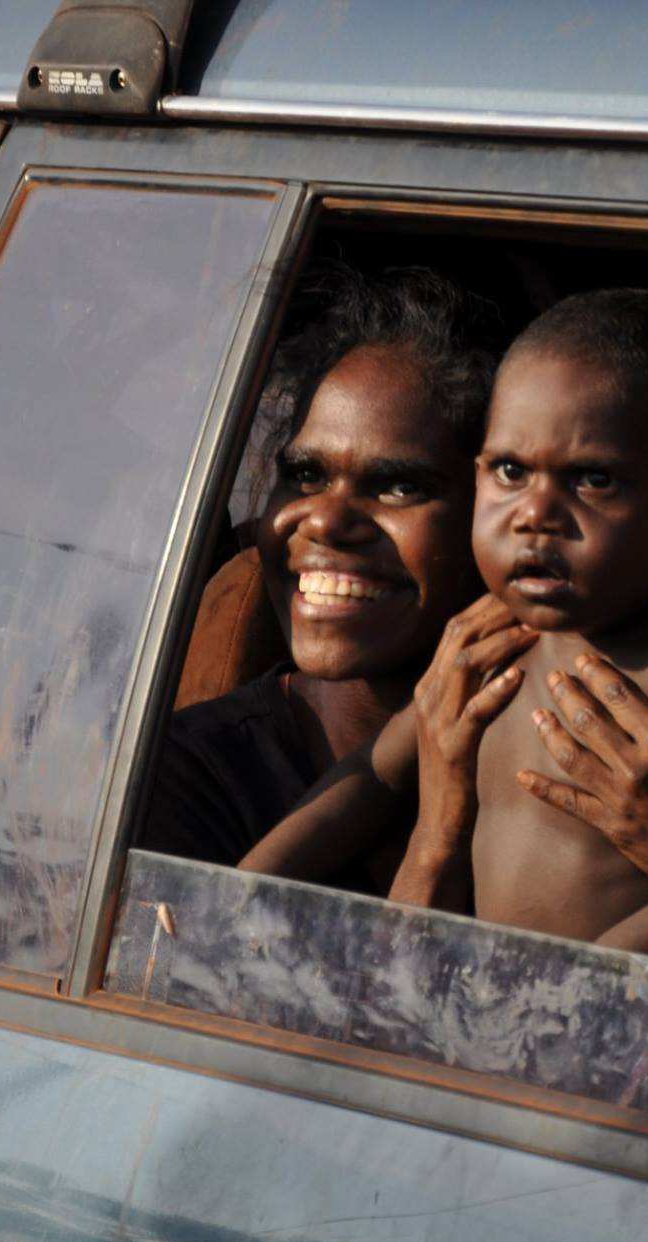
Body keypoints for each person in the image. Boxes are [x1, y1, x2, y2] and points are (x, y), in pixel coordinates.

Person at [245, 289, 648, 954]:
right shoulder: (488, 643)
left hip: (597, 1033)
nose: (533, 513)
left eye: (593, 480)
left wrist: (605, 976)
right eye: (511, 471)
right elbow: (372, 777)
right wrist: (238, 889)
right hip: (483, 1020)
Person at [135, 266, 504, 881]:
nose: (326, 521)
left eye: (400, 485)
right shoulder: (188, 774)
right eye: (305, 475)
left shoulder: (588, 758)